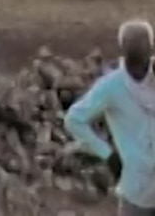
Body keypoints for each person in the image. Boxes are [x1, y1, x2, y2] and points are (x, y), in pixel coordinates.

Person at [65, 19, 155, 215]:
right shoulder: (111, 87)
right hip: (136, 188)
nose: (141, 50)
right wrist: (107, 153)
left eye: (144, 45)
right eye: (135, 45)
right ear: (123, 49)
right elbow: (74, 119)